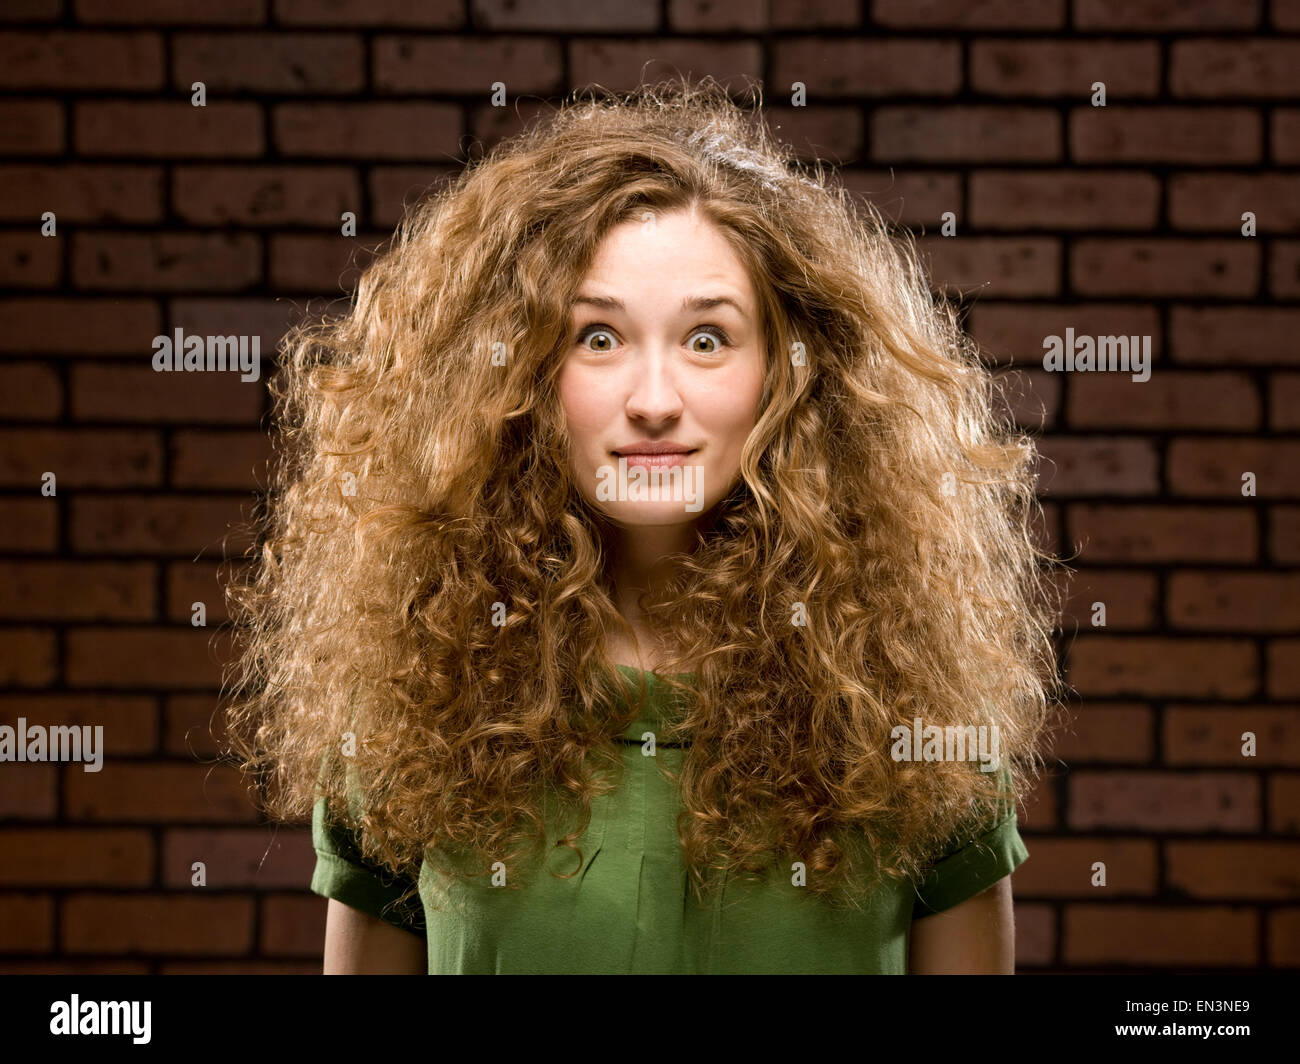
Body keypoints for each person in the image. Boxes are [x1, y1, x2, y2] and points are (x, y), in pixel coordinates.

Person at [222, 76, 1065, 975]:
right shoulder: (412, 698)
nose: (654, 401)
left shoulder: (912, 704)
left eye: (707, 339)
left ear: (788, 372)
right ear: (517, 376)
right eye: (597, 338)